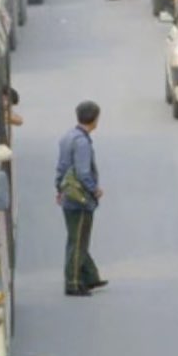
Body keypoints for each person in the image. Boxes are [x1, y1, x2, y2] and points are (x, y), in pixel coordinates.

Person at [55, 100, 106, 297]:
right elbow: (84, 172)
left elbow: (61, 167)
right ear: (94, 119)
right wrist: (94, 190)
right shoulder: (83, 142)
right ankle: (73, 282)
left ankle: (89, 276)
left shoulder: (67, 137)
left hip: (68, 194)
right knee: (78, 241)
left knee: (77, 238)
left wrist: (59, 188)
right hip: (80, 197)